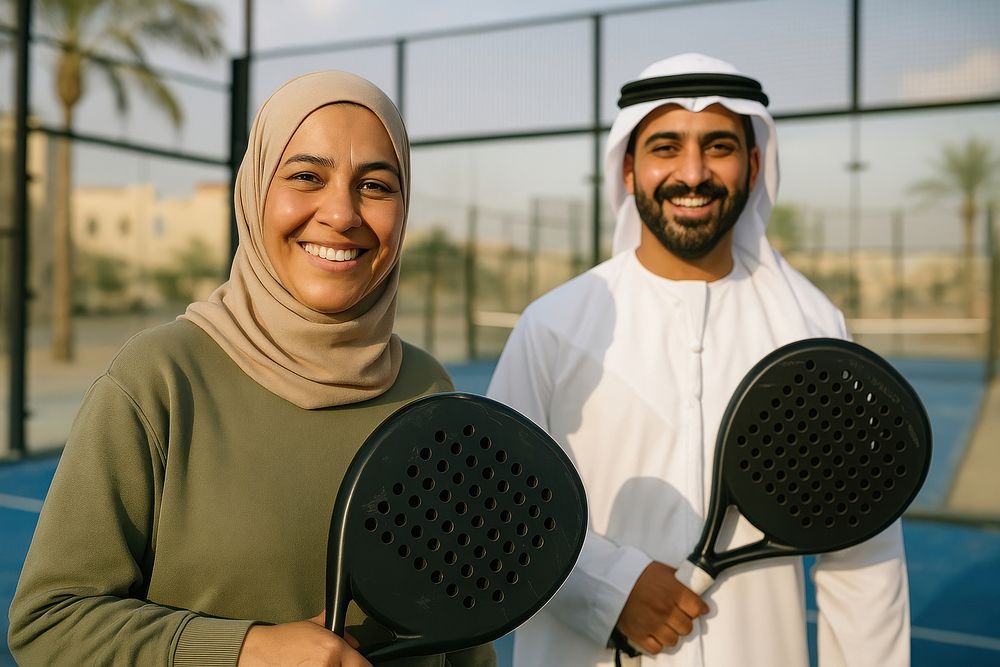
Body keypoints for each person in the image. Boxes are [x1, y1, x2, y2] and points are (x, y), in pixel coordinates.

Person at [8, 70, 496, 667]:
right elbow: (49, 623)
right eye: (306, 177)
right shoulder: (159, 378)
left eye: (375, 184)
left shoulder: (429, 392)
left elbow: (463, 638)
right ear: (255, 189)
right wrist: (245, 650)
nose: (341, 213)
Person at [486, 53, 910, 667]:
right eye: (665, 148)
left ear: (755, 163)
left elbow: (863, 560)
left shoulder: (813, 330)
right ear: (628, 171)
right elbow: (495, 504)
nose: (692, 173)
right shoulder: (553, 325)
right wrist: (608, 587)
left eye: (718, 146)